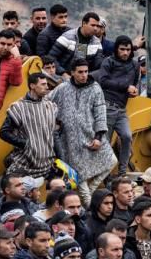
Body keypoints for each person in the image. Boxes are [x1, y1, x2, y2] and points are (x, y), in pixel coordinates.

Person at [48, 59, 117, 207]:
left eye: (86, 71)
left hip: (91, 136)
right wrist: (54, 121)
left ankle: (92, 191)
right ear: (72, 72)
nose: (84, 75)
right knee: (80, 177)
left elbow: (100, 113)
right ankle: (89, 207)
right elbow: (46, 102)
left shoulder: (95, 88)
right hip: (69, 141)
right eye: (80, 72)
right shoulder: (62, 88)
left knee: (111, 160)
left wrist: (98, 137)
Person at [0, 72, 57, 178]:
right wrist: (25, 144)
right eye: (43, 84)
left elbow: (55, 132)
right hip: (24, 163)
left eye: (47, 84)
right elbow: (4, 132)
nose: (47, 87)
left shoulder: (50, 106)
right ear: (32, 86)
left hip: (47, 163)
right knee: (12, 184)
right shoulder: (19, 107)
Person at [97, 35, 139, 177]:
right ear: (116, 49)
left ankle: (122, 172)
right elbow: (103, 81)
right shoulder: (108, 62)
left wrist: (132, 91)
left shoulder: (135, 65)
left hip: (121, 109)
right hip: (107, 107)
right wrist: (126, 87)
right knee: (105, 143)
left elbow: (134, 83)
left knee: (127, 136)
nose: (125, 52)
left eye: (128, 49)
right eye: (122, 49)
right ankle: (106, 175)